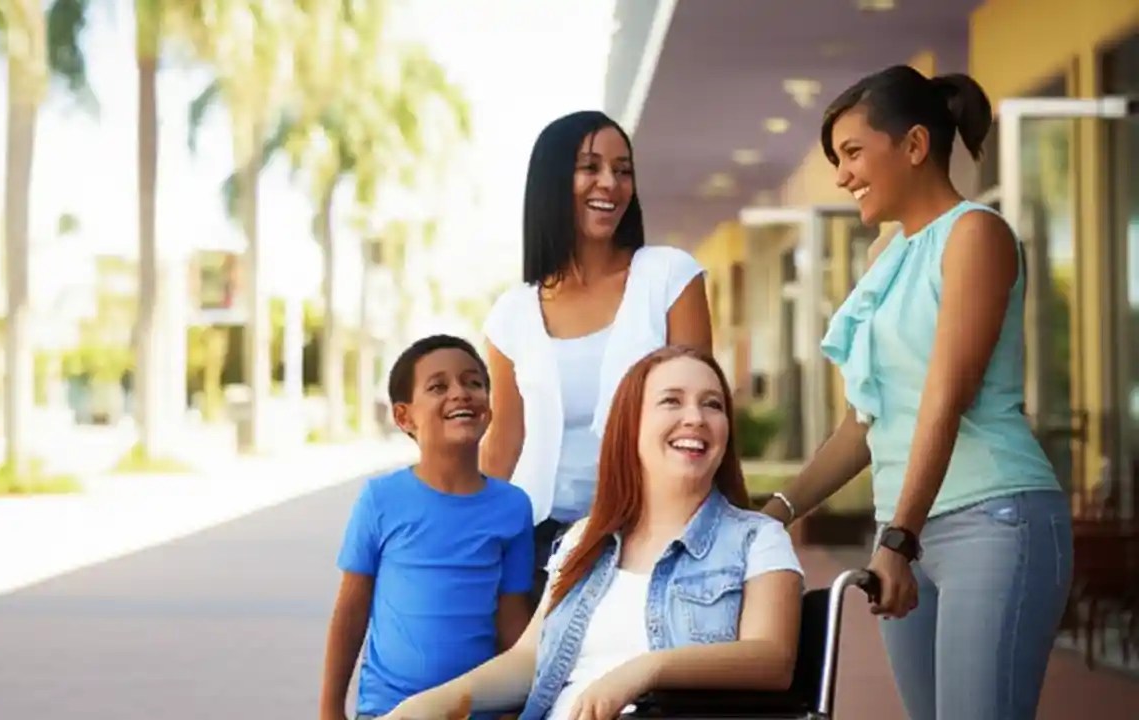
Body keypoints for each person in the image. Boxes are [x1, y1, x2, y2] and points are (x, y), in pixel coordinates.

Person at [759, 65, 1073, 720]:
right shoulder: (887, 256)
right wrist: (775, 512)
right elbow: (862, 424)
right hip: (905, 527)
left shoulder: (976, 235)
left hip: (993, 520)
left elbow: (944, 399)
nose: (842, 175)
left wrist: (897, 540)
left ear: (914, 145)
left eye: (851, 153)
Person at [380, 345, 804, 720]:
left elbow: (772, 659)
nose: (695, 417)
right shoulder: (585, 540)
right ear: (630, 427)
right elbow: (531, 659)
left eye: (712, 405)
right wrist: (436, 701)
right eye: (671, 401)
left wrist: (643, 671)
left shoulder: (757, 540)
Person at [481, 110, 713, 604]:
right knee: (538, 680)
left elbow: (702, 416)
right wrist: (463, 536)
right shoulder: (512, 313)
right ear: (551, 181)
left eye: (623, 169)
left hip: (648, 537)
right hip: (538, 546)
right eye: (590, 167)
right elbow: (503, 442)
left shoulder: (670, 277)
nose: (610, 183)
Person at [320, 335, 536, 720]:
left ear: (489, 405)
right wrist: (330, 709)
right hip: (389, 710)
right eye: (438, 386)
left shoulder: (512, 506)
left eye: (474, 382)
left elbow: (512, 617)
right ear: (404, 417)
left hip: (477, 710)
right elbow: (351, 609)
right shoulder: (380, 499)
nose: (461, 393)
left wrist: (514, 707)